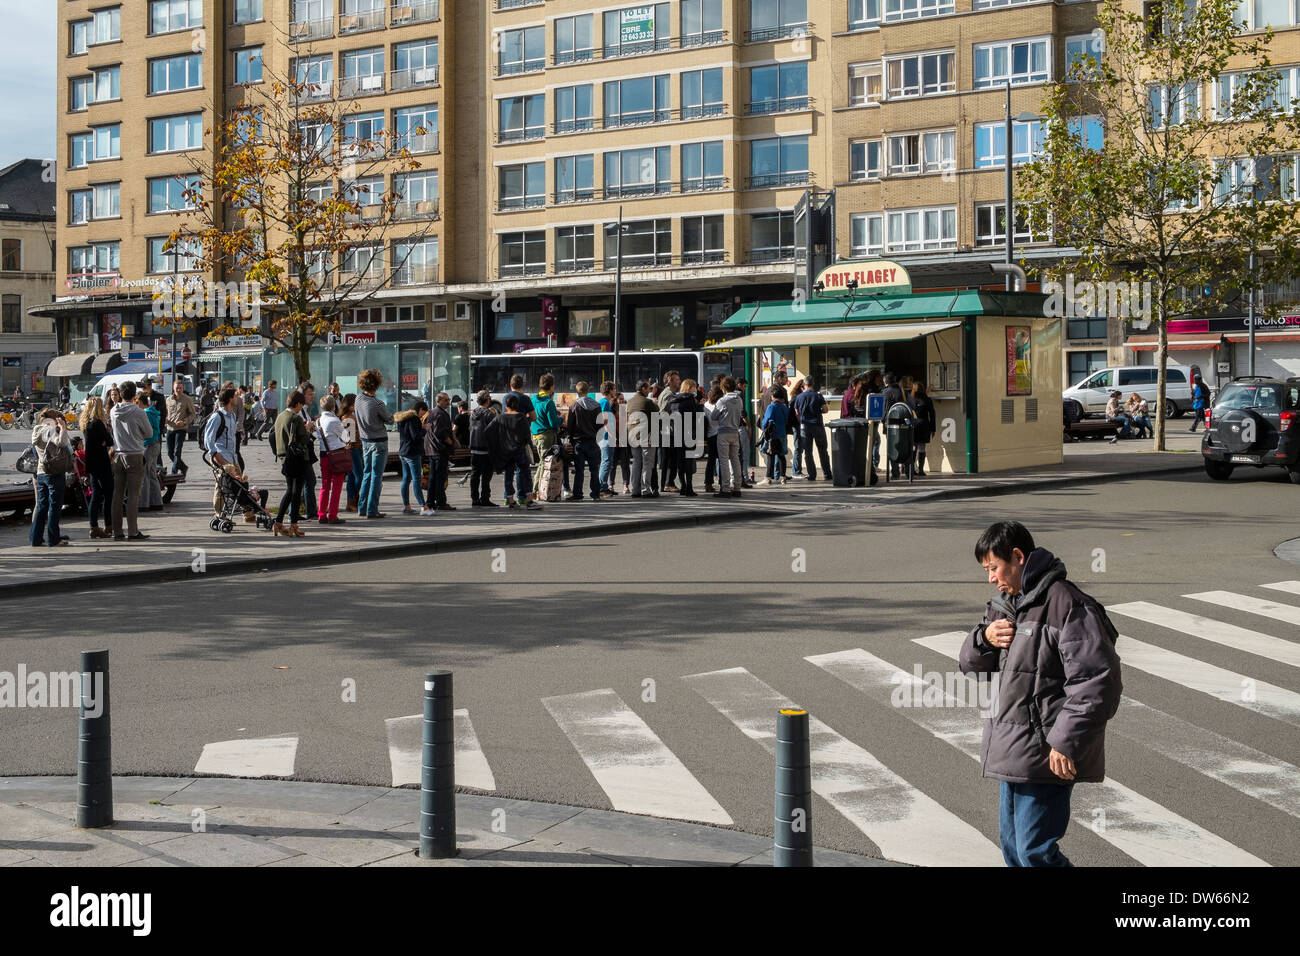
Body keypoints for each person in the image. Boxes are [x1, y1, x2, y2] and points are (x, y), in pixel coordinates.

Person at [960, 520, 1122, 867]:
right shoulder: (1006, 604)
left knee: (1035, 853)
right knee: (1015, 850)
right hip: (1013, 749)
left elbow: (1098, 681)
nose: (990, 577)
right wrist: (983, 639)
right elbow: (970, 665)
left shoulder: (1067, 604)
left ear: (1017, 557)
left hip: (1048, 751)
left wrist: (1065, 741)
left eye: (993, 567)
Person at [204, 386, 255, 525]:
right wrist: (216, 457)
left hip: (232, 456)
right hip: (221, 456)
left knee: (240, 483)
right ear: (230, 398)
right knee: (222, 486)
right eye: (235, 396)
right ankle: (219, 514)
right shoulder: (217, 416)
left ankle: (248, 512)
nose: (237, 398)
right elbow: (209, 439)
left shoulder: (231, 415)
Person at [110, 381, 153, 541]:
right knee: (133, 494)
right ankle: (133, 531)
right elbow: (149, 433)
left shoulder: (114, 410)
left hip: (118, 454)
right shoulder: (138, 412)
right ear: (135, 394)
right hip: (134, 454)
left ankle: (117, 531)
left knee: (118, 494)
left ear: (120, 394)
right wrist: (136, 436)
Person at [30, 409, 74, 547]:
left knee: (42, 506)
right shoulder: (50, 430)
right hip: (54, 472)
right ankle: (53, 539)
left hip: (41, 471)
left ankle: (35, 538)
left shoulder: (36, 430)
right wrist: (63, 428)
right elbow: (61, 443)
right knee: (54, 506)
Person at [355, 369, 394, 519]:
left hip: (365, 440)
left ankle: (362, 507)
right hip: (379, 441)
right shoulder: (377, 403)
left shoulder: (358, 399)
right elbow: (390, 419)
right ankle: (372, 509)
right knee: (377, 476)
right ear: (376, 385)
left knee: (367, 474)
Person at [273, 390, 311, 536]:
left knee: (290, 490)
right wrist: (307, 429)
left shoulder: (280, 416)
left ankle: (278, 522)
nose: (302, 408)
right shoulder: (295, 418)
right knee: (296, 492)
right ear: (298, 403)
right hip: (298, 458)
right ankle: (293, 524)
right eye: (302, 405)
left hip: (284, 457)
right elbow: (303, 441)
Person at [80, 396, 114, 539]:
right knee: (108, 495)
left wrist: (103, 442)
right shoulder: (98, 423)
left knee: (95, 496)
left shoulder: (86, 424)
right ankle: (108, 525)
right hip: (102, 463)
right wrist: (105, 440)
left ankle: (93, 526)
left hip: (92, 465)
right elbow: (110, 440)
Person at [499, 394, 540, 509]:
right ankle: (529, 500)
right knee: (525, 473)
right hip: (520, 449)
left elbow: (491, 431)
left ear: (506, 405)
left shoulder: (501, 417)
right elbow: (527, 434)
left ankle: (510, 499)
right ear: (517, 405)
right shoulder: (521, 417)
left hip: (507, 450)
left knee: (508, 474)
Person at [567, 381, 604, 502]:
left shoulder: (574, 406)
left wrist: (571, 440)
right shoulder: (597, 405)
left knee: (579, 470)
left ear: (577, 392)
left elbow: (570, 426)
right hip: (593, 441)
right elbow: (600, 425)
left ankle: (578, 494)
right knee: (595, 469)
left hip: (579, 442)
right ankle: (596, 493)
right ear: (588, 391)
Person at [316, 394, 348, 524]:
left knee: (325, 485)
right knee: (337, 486)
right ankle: (333, 515)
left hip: (324, 454)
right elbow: (346, 437)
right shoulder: (334, 421)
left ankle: (321, 514)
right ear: (334, 406)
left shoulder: (318, 421)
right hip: (337, 454)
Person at [711, 376, 745, 498]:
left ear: (724, 387)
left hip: (723, 432)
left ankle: (725, 488)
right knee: (735, 460)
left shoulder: (722, 401)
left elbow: (713, 416)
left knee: (724, 460)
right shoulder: (739, 400)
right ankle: (737, 487)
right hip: (735, 432)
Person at [792, 377, 831, 481]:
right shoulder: (818, 395)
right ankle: (827, 474)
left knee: (808, 452)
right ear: (813, 384)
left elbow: (797, 413)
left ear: (804, 384)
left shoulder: (799, 397)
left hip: (805, 427)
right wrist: (819, 411)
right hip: (818, 425)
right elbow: (825, 409)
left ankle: (812, 475)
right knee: (823, 451)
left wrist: (802, 420)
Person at [395, 399, 429, 515]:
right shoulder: (414, 419)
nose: (422, 417)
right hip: (412, 452)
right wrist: (424, 430)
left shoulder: (403, 418)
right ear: (420, 409)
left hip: (403, 452)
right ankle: (423, 506)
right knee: (416, 479)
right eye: (423, 414)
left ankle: (407, 506)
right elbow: (416, 436)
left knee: (406, 479)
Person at [531, 373, 563, 495]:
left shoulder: (534, 399)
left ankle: (536, 490)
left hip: (536, 435)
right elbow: (553, 423)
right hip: (547, 436)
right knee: (544, 463)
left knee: (542, 462)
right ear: (551, 386)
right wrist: (561, 420)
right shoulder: (548, 402)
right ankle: (535, 490)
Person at [626, 380, 658, 498]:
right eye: (648, 389)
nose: (649, 391)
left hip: (633, 437)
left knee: (636, 463)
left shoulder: (629, 402)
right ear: (644, 389)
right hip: (646, 437)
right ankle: (645, 490)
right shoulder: (647, 402)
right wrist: (654, 402)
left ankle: (635, 490)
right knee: (647, 463)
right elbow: (657, 413)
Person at [425, 391, 456, 512]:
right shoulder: (441, 414)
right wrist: (451, 442)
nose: (448, 402)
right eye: (445, 400)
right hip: (439, 450)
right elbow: (440, 432)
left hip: (432, 449)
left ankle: (430, 501)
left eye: (448, 400)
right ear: (438, 401)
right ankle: (441, 502)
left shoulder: (432, 412)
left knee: (433, 477)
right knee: (440, 477)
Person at [468, 390, 498, 507]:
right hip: (486, 448)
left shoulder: (473, 413)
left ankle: (475, 499)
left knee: (475, 475)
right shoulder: (489, 414)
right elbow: (494, 430)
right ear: (487, 400)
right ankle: (485, 498)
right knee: (486, 476)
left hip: (474, 447)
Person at [137, 386, 165, 512]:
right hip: (155, 443)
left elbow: (146, 431)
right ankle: (157, 501)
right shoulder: (153, 412)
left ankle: (144, 503)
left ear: (140, 402)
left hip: (149, 444)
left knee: (145, 474)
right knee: (152, 473)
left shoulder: (146, 413)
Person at [296, 382, 319, 520]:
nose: (312, 397)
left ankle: (300, 511)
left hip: (306, 450)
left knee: (305, 481)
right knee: (309, 481)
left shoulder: (305, 410)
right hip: (301, 451)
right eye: (309, 394)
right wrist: (308, 426)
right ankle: (310, 511)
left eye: (312, 394)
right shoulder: (299, 411)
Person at [657, 369, 682, 492]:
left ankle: (666, 484)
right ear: (669, 381)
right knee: (671, 459)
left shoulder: (668, 393)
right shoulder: (669, 395)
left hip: (668, 431)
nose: (679, 382)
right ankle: (668, 483)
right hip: (669, 431)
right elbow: (662, 412)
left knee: (668, 459)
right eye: (677, 380)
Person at [759, 384, 790, 484]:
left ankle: (768, 477)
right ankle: (783, 477)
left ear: (773, 396)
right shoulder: (785, 407)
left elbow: (765, 421)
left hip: (773, 435)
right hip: (782, 434)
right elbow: (786, 419)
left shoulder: (771, 407)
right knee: (781, 455)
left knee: (770, 454)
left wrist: (764, 429)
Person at [165, 378, 196, 475]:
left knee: (177, 451)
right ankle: (183, 467)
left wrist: (184, 422)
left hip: (181, 429)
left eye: (180, 388)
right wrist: (165, 419)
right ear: (173, 389)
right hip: (170, 428)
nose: (179, 390)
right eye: (177, 388)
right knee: (170, 452)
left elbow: (192, 414)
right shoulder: (168, 400)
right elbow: (166, 412)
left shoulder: (187, 400)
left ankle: (174, 473)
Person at [340, 393, 363, 513]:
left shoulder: (351, 416)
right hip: (353, 449)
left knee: (352, 477)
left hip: (356, 448)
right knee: (359, 475)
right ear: (350, 405)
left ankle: (350, 502)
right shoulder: (348, 419)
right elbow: (349, 438)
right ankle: (353, 499)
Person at [909, 382, 937, 476]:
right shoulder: (927, 399)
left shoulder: (910, 399)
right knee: (922, 447)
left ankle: (911, 469)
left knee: (913, 447)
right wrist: (933, 429)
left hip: (913, 425)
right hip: (924, 425)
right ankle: (921, 470)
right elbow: (932, 415)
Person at [597, 381, 620, 497]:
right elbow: (605, 421)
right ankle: (602, 488)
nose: (615, 391)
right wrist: (612, 435)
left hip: (604, 437)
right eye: (614, 389)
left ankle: (603, 487)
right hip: (606, 437)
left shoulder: (602, 402)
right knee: (606, 462)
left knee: (606, 462)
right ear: (610, 390)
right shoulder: (605, 402)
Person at [702, 384, 721, 493]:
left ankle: (708, 483)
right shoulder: (718, 406)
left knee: (711, 461)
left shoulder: (705, 405)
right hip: (718, 434)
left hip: (710, 435)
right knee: (722, 460)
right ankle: (723, 483)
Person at [788, 378, 806, 478]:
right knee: (798, 448)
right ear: (801, 387)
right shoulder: (797, 398)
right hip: (797, 425)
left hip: (796, 425)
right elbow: (796, 413)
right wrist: (800, 422)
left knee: (799, 447)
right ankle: (796, 471)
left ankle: (797, 470)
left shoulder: (795, 397)